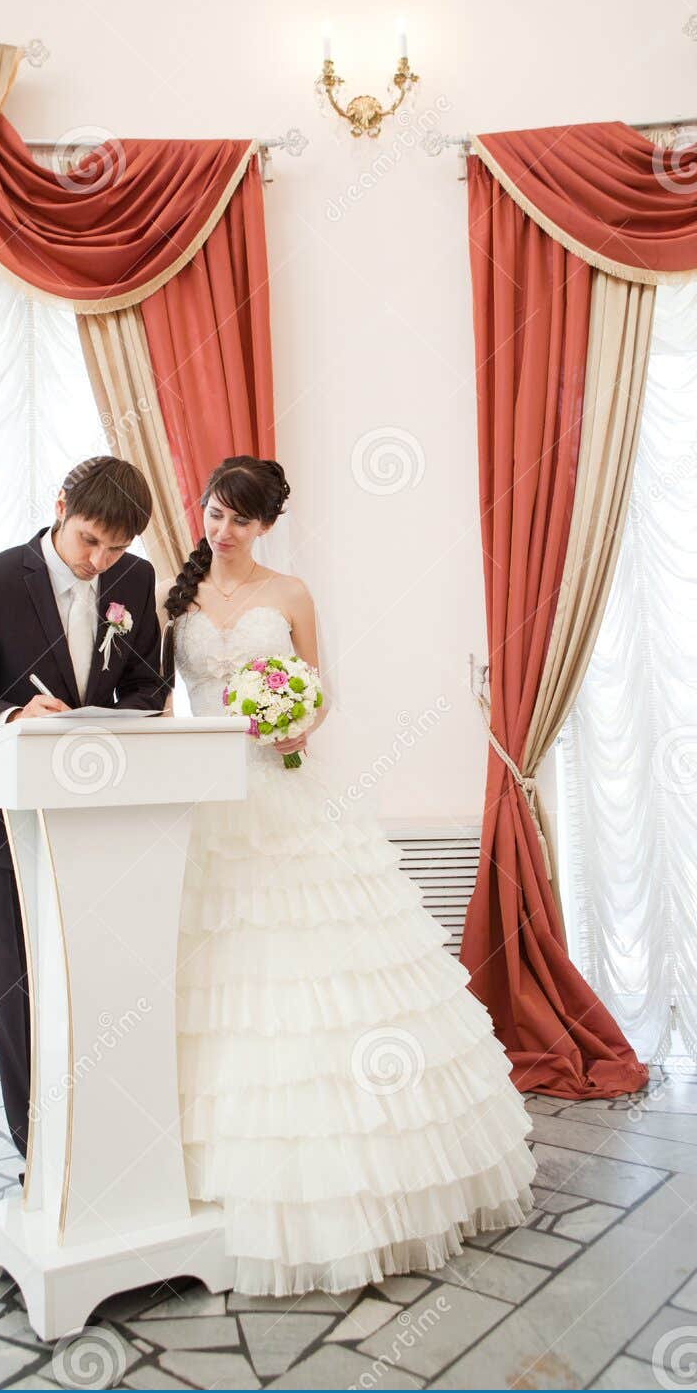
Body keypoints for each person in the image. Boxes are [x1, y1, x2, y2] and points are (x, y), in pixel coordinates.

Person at [161, 454, 537, 1296]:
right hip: (202, 800)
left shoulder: (290, 593)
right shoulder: (173, 595)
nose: (219, 530)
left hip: (282, 791)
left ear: (264, 527)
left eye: (235, 519)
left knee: (320, 964)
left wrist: (298, 726)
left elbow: (319, 690)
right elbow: (159, 702)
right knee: (215, 968)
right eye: (211, 513)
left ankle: (354, 1187)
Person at [0, 456, 168, 1158]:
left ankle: (106, 1145)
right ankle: (40, 1156)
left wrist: (114, 717)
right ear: (60, 506)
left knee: (105, 987)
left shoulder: (135, 578)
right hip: (7, 826)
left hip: (105, 823)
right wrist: (13, 717)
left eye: (116, 547)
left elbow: (149, 686)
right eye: (90, 539)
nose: (100, 561)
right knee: (22, 992)